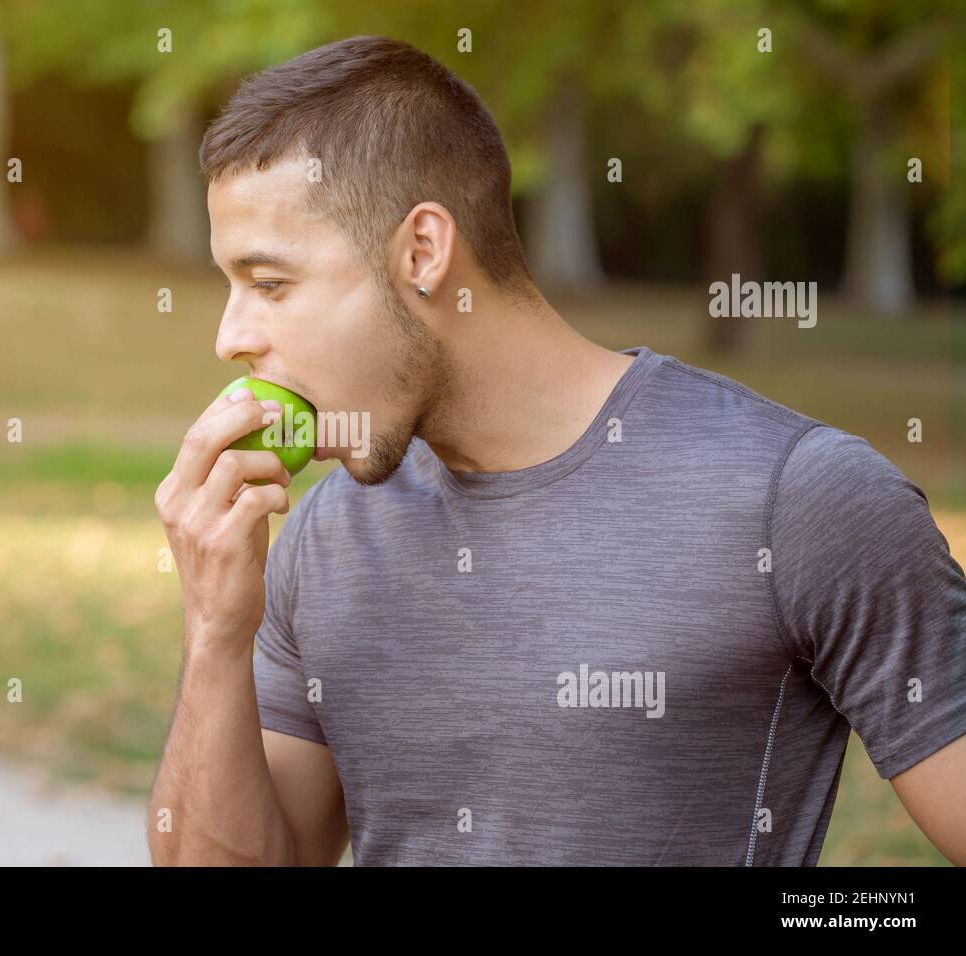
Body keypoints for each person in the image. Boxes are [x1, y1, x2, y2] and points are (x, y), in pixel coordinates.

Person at [148, 35, 966, 866]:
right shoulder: (325, 540)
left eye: (269, 284)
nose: (230, 338)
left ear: (423, 253)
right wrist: (216, 629)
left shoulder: (794, 498)